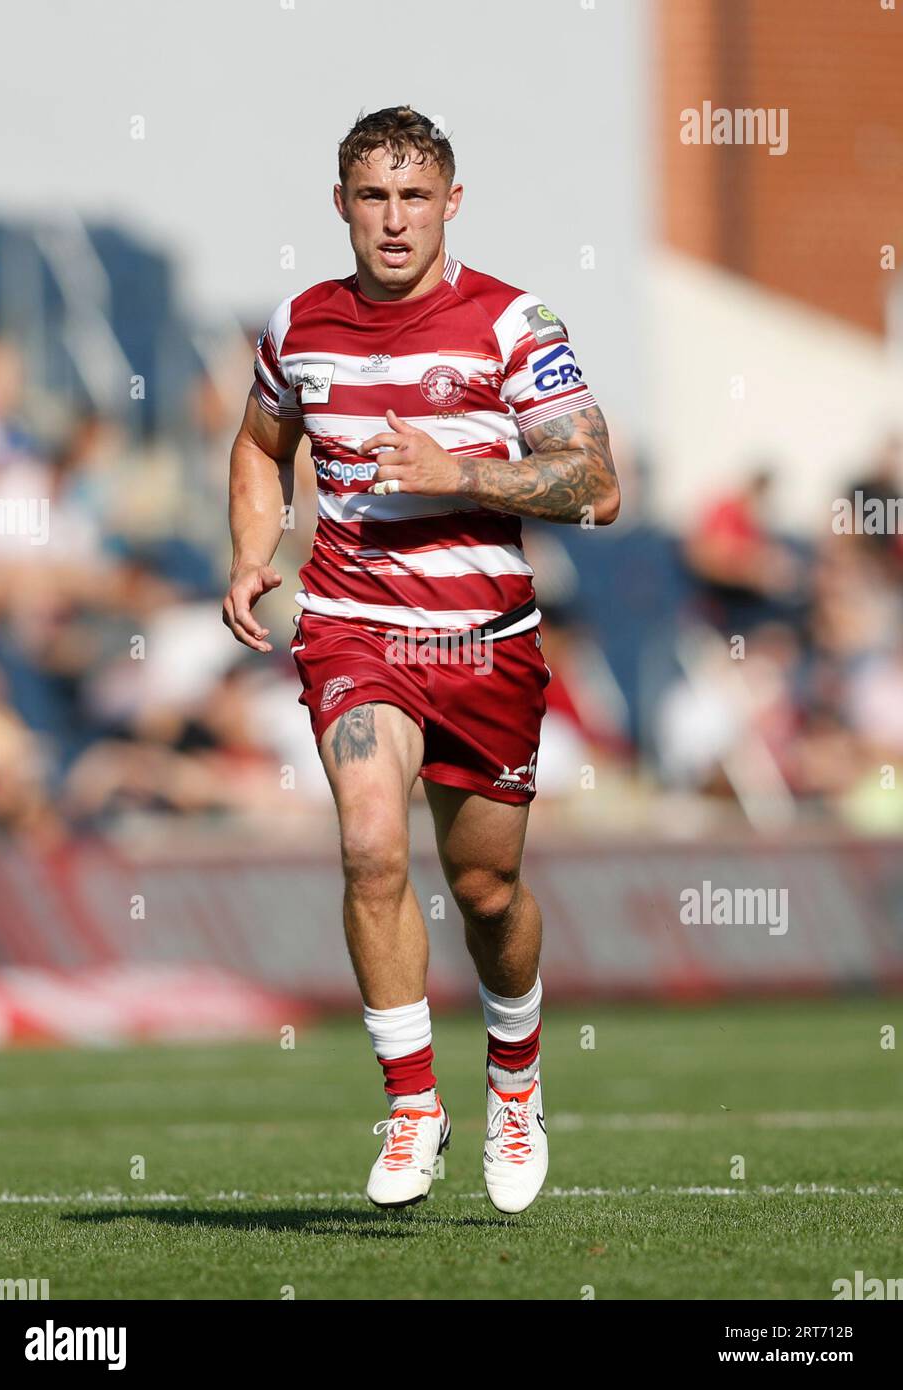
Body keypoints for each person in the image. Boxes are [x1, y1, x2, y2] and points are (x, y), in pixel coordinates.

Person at [223, 106, 619, 1212]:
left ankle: (514, 1079)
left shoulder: (511, 322)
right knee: (365, 846)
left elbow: (596, 485)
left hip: (486, 643)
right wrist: (255, 553)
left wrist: (462, 472)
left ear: (451, 202)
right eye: (371, 196)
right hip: (354, 630)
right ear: (340, 204)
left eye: (413, 196)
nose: (393, 221)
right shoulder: (298, 326)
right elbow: (260, 447)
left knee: (487, 889)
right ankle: (409, 1103)